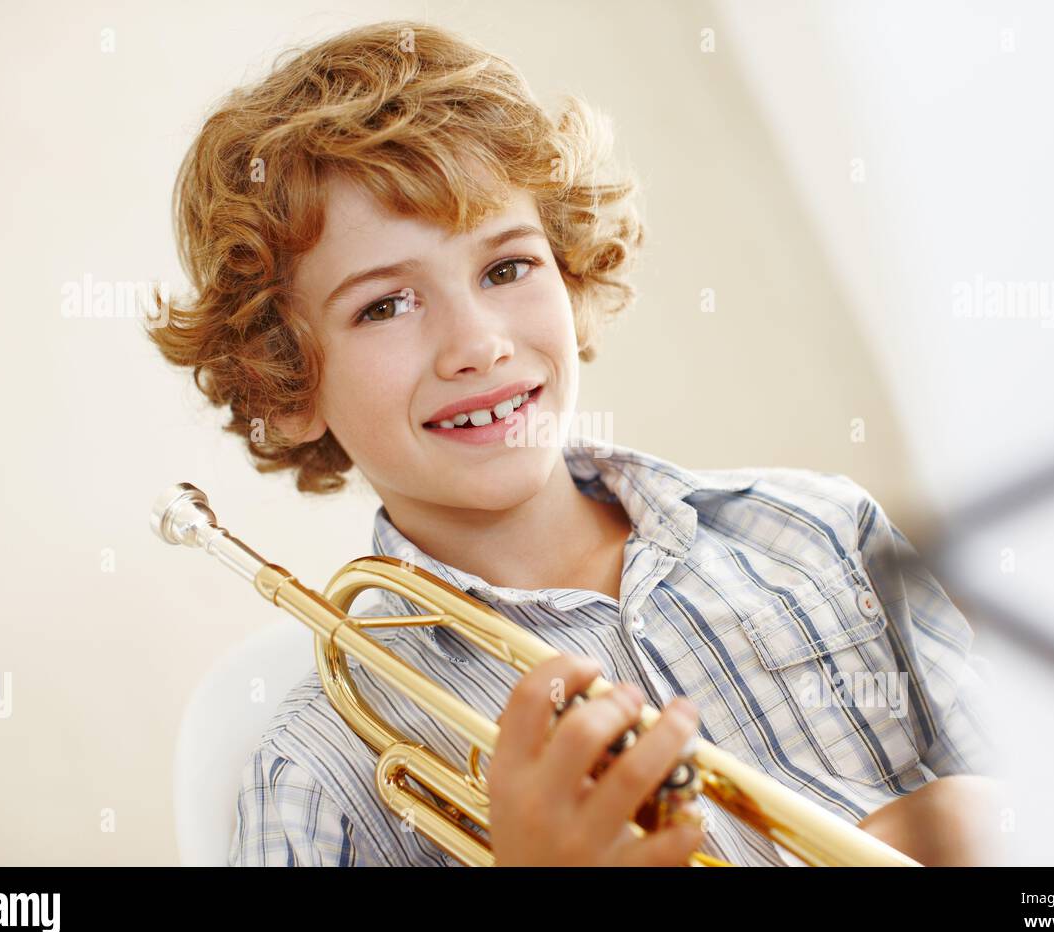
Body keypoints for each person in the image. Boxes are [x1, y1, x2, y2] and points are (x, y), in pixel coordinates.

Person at [147, 19, 1002, 867]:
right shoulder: (313, 774)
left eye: (506, 268)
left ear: (571, 270)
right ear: (288, 383)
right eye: (384, 306)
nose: (476, 343)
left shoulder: (822, 532)